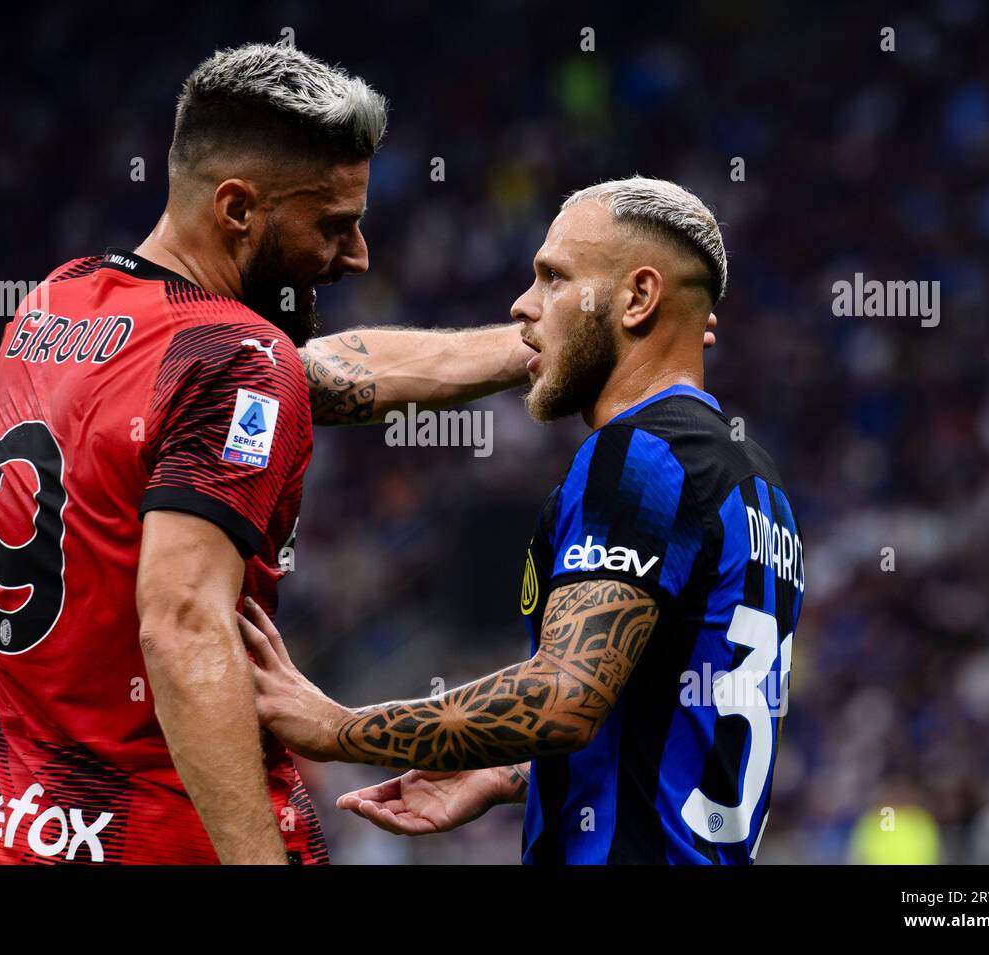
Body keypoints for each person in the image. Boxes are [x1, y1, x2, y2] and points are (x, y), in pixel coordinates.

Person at [0, 43, 534, 866]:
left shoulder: (57, 304)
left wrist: (533, 349)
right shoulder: (235, 354)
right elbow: (182, 622)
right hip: (168, 834)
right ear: (237, 210)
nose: (357, 255)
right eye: (333, 224)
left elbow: (323, 374)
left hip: (22, 831)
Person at [241, 177, 804, 864]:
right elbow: (678, 723)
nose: (522, 304)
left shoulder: (640, 456)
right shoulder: (759, 484)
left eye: (553, 278)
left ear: (636, 298)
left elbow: (564, 696)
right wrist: (507, 774)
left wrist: (337, 726)